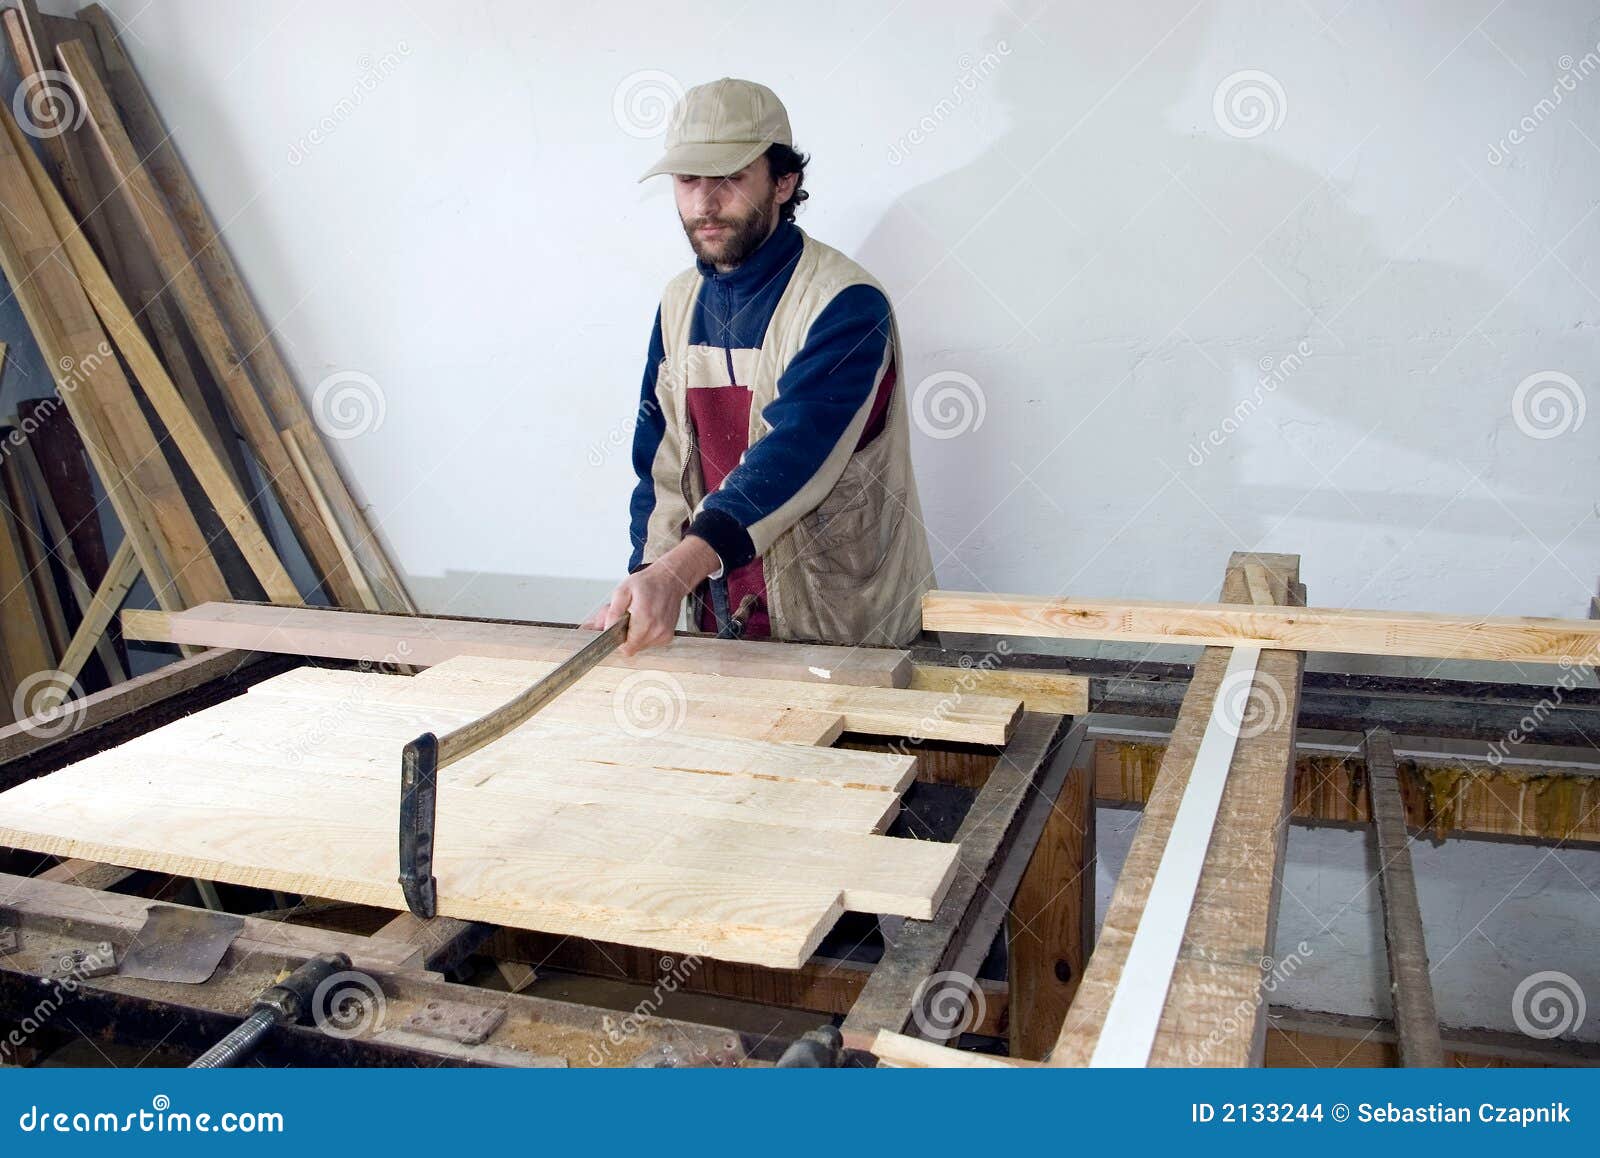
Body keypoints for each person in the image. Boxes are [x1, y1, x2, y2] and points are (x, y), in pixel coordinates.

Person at [585, 78, 933, 654]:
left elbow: (793, 453)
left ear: (783, 182)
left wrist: (677, 572)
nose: (703, 204)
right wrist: (646, 581)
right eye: (689, 180)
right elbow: (661, 462)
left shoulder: (845, 303)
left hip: (842, 629)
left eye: (729, 179)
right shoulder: (679, 303)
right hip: (722, 627)